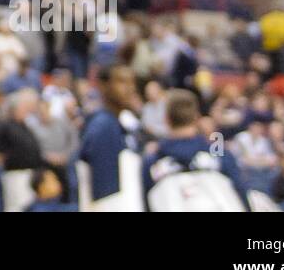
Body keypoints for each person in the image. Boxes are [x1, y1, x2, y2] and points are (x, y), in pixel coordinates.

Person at [141, 89, 246, 212]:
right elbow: (241, 199)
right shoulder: (221, 157)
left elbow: (144, 205)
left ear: (166, 119)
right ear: (197, 118)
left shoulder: (151, 163)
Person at [78, 63, 143, 209]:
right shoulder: (103, 127)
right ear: (102, 86)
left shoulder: (120, 123)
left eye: (132, 82)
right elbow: (105, 196)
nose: (130, 88)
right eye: (122, 82)